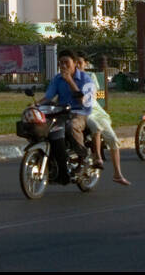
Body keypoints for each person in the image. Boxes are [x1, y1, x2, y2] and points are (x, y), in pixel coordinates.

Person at [42, 51, 95, 184]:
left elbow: (85, 103)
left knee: (71, 126)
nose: (63, 66)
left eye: (67, 62)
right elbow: (48, 96)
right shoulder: (57, 79)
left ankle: (83, 157)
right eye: (61, 63)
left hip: (80, 113)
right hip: (61, 112)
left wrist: (70, 81)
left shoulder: (86, 79)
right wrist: (36, 104)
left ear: (75, 63)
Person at [76, 55, 129, 186]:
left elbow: (92, 94)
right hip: (84, 112)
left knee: (113, 140)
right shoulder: (69, 78)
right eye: (75, 62)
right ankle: (98, 157)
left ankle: (117, 174)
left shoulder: (90, 77)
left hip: (96, 110)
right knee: (96, 127)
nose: (77, 65)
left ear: (86, 64)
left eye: (80, 62)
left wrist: (85, 98)